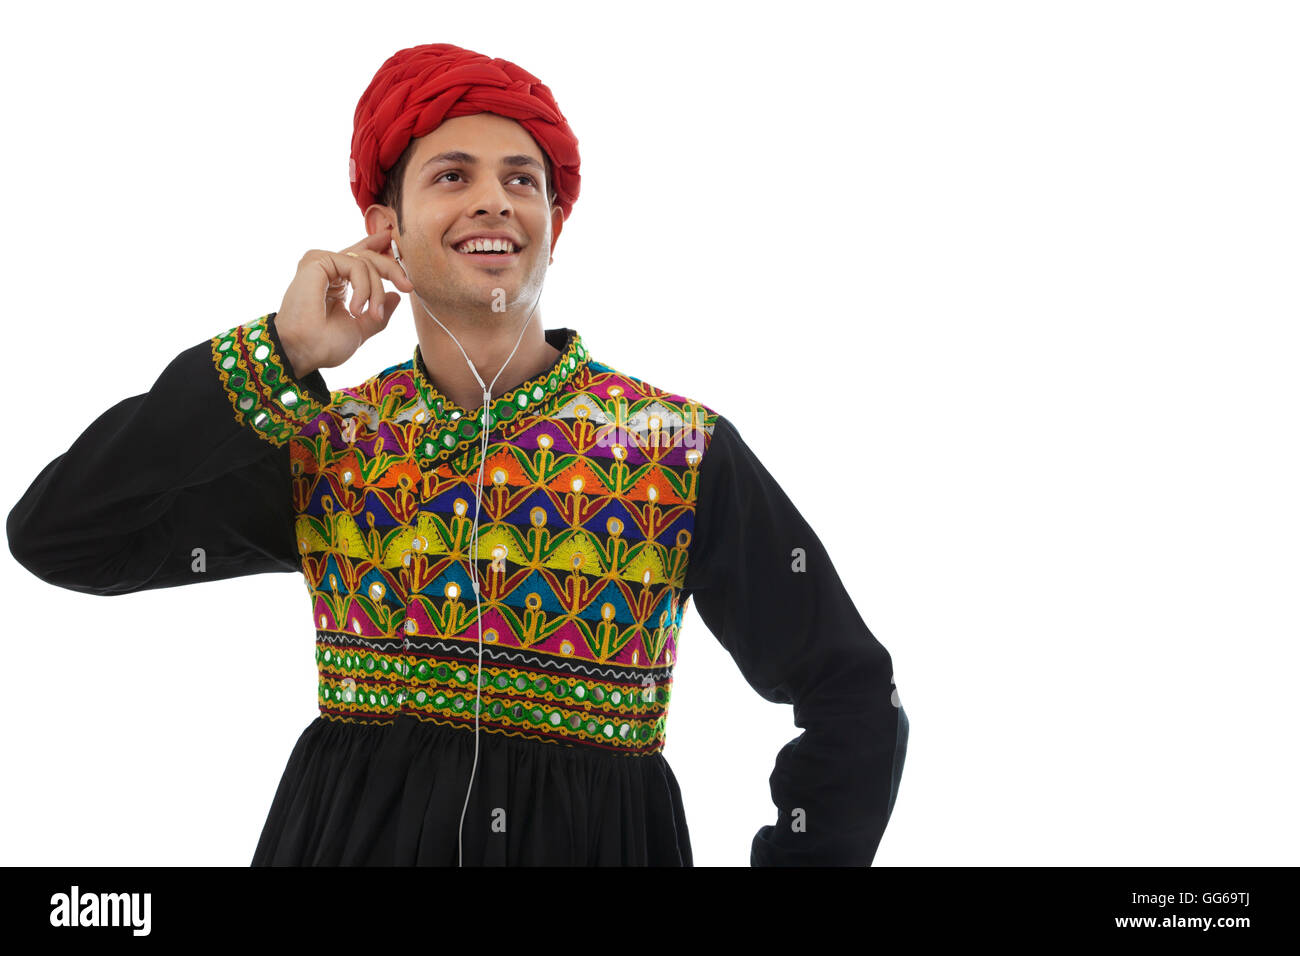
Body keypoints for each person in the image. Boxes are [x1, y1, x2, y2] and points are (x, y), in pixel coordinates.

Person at [6, 42, 908, 866]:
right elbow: (64, 537)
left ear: (556, 220)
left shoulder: (670, 449)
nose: (493, 199)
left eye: (523, 179)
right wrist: (277, 356)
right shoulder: (330, 447)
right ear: (384, 228)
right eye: (451, 175)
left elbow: (850, 695)